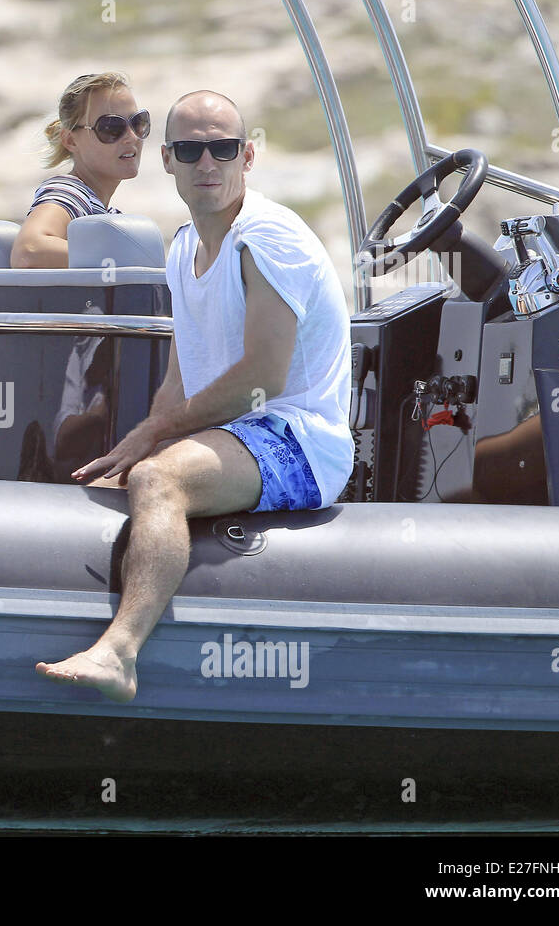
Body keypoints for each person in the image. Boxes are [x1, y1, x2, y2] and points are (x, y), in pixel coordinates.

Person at [36, 90, 353, 701]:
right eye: (189, 149)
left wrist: (155, 445)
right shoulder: (183, 247)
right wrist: (142, 439)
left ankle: (120, 653)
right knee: (120, 479)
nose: (207, 163)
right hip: (237, 432)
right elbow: (182, 376)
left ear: (247, 156)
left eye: (223, 148)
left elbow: (265, 377)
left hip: (299, 440)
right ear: (168, 160)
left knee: (159, 481)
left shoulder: (267, 237)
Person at [10, 72, 148, 268]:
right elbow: (29, 251)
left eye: (137, 122)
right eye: (111, 127)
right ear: (71, 140)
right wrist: (118, 261)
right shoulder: (70, 192)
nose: (131, 137)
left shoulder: (100, 208)